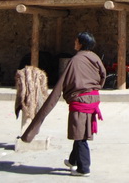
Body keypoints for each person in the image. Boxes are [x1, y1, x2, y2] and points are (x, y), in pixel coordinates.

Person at [22, 32, 106, 177]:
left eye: (76, 40)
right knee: (81, 131)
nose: (74, 42)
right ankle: (73, 161)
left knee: (80, 136)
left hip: (80, 101)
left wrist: (57, 96)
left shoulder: (76, 60)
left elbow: (63, 82)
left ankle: (83, 169)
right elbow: (103, 76)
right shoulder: (95, 57)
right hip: (92, 99)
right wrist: (93, 88)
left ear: (81, 43)